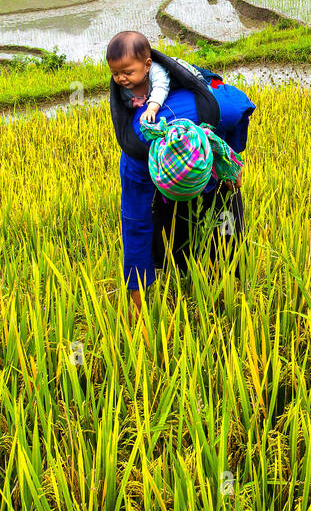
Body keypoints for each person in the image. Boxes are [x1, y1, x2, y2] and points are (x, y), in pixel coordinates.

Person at [107, 32, 255, 314]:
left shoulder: (216, 110)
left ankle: (230, 288)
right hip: (159, 176)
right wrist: (136, 307)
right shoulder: (136, 158)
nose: (122, 77)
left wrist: (233, 160)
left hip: (205, 137)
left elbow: (241, 104)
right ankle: (182, 267)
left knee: (227, 219)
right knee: (167, 233)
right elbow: (134, 225)